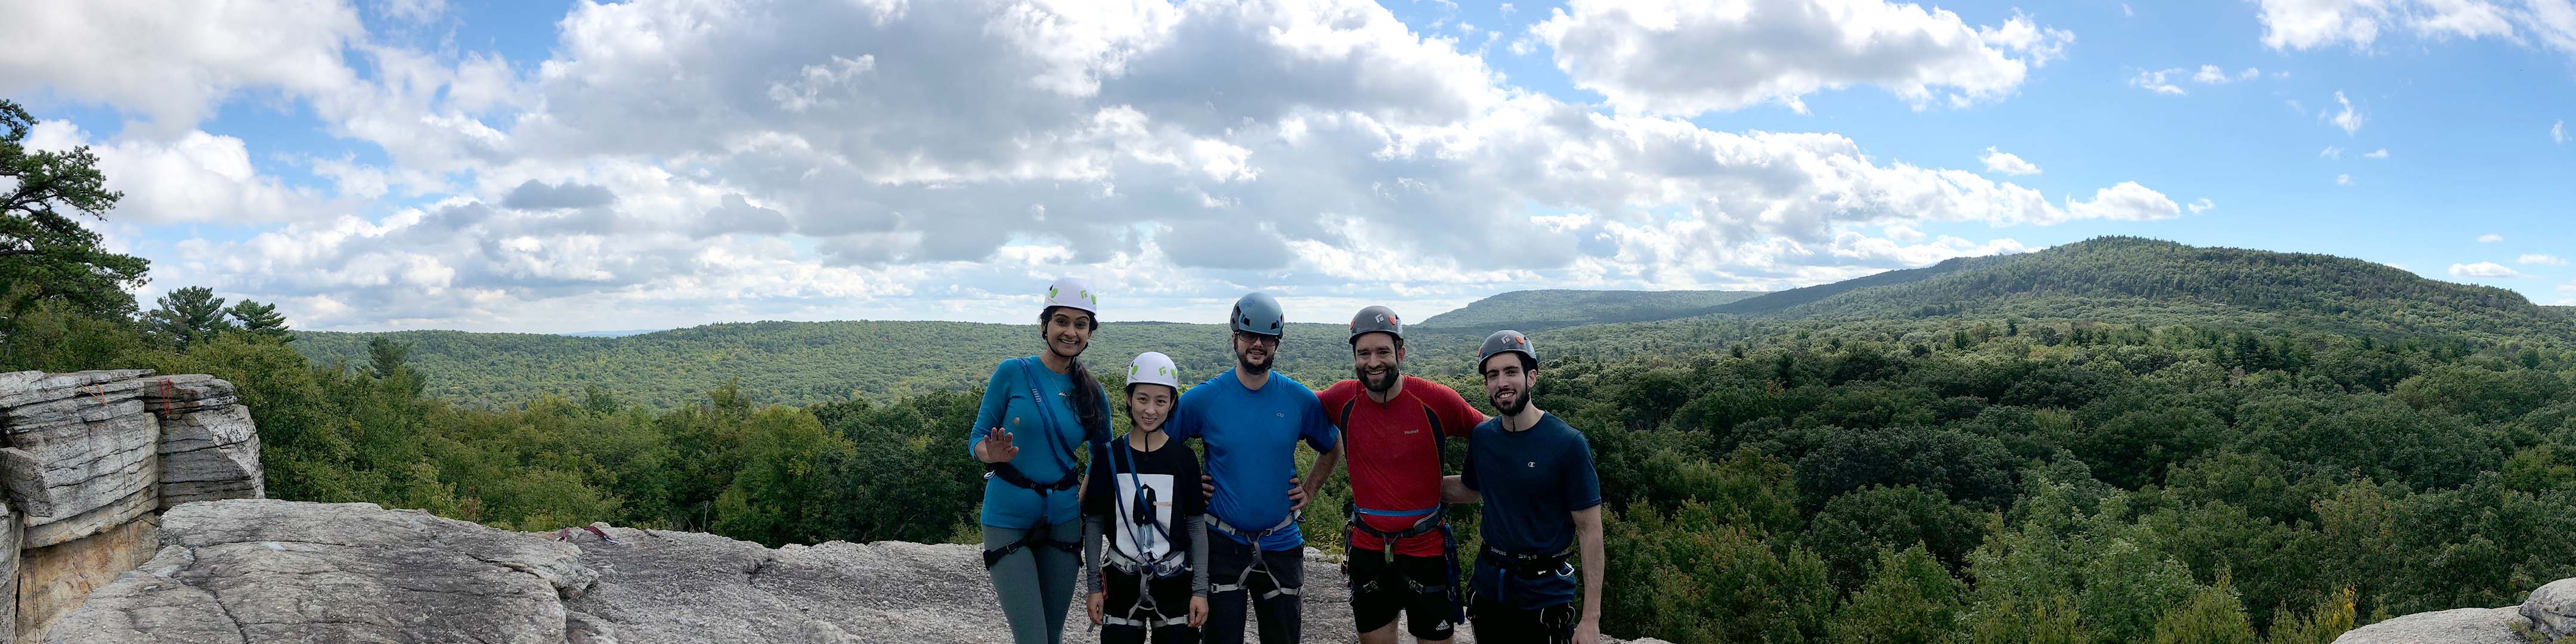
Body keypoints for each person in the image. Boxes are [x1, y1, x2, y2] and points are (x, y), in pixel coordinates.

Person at [1167, 292, 1341, 644]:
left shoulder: (1298, 399)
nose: (1258, 344)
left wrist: (1309, 490)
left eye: (1267, 337)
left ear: (1277, 343)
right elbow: (1161, 446)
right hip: (1221, 541)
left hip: (1281, 539)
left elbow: (1333, 445)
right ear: (1235, 338)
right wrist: (1187, 486)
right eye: (1249, 335)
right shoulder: (1204, 399)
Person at [1315, 306, 1484, 644]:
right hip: (1368, 548)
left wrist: (1470, 486)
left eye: (1383, 352)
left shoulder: (1436, 400)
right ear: (1354, 357)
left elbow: (1490, 436)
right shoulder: (1341, 398)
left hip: (1426, 549)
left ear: (1401, 354)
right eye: (1364, 353)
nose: (1373, 362)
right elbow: (1287, 413)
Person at [971, 277, 1113, 644]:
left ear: (1090, 332)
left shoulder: (1092, 394)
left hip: (1063, 519)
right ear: (1045, 325)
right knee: (1032, 638)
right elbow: (977, 439)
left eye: (1081, 324)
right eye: (1061, 321)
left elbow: (1103, 457)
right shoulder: (1012, 373)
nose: (1070, 332)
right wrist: (990, 454)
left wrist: (1080, 503)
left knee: (1052, 635)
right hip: (1007, 515)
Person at [1454, 330, 1604, 644]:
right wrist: (1409, 487)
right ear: (1486, 385)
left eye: (1511, 372)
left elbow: (1590, 530)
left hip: (1544, 597)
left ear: (1531, 377)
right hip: (1489, 589)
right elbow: (1470, 489)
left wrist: (1591, 618)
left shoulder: (1567, 444)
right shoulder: (1483, 438)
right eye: (1493, 375)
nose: (1502, 383)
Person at [1083, 352, 1212, 644]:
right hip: (1121, 580)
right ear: (1129, 399)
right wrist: (1093, 587)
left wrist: (1200, 591)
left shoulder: (1183, 459)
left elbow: (1195, 526)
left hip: (1174, 580)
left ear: (1172, 404)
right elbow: (1094, 523)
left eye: (1161, 401)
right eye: (1142, 399)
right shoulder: (1108, 457)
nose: (1150, 410)